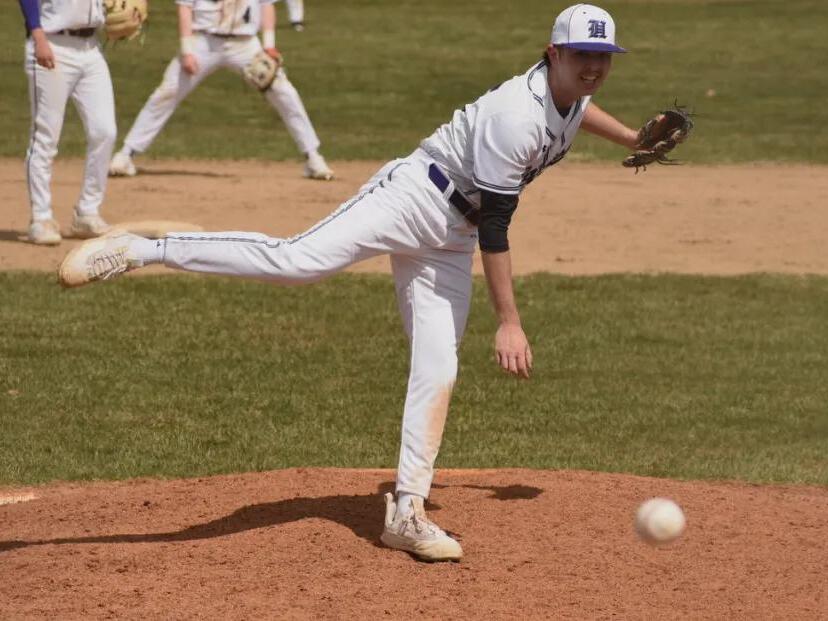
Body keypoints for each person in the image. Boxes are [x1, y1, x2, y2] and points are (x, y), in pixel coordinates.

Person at [61, 4, 647, 561]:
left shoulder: (566, 93)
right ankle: (143, 249)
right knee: (296, 262)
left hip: (450, 239)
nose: (593, 66)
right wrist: (510, 322)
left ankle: (407, 513)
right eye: (580, 55)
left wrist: (632, 139)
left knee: (438, 367)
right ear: (553, 53)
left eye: (603, 56)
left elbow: (573, 111)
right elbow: (497, 225)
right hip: (414, 197)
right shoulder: (514, 116)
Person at [108, 0, 333, 180]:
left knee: (284, 93)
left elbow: (267, 6)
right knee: (166, 93)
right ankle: (126, 154)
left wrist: (269, 46)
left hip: (246, 45)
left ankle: (312, 157)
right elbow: (185, 8)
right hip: (203, 42)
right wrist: (187, 51)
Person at [18, 0, 115, 246]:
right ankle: (41, 218)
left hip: (91, 50)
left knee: (105, 132)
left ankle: (87, 212)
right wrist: (37, 35)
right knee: (45, 137)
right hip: (52, 43)